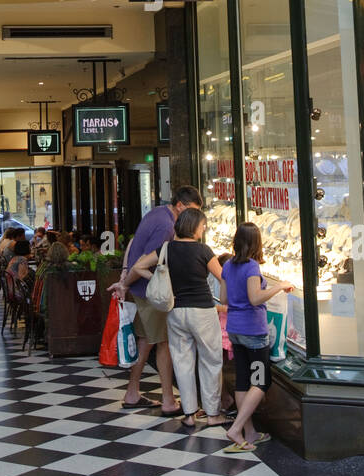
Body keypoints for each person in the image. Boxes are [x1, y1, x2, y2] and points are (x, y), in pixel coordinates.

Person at [122, 206, 225, 430]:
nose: (204, 228)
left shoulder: (166, 249)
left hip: (175, 312)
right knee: (211, 361)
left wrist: (162, 282)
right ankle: (212, 413)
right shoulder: (204, 251)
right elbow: (222, 276)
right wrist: (226, 303)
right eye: (202, 225)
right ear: (195, 227)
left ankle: (189, 414)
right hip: (203, 311)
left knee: (182, 363)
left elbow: (138, 265)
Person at [109, 185, 204, 417]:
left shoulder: (157, 212)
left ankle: (132, 393)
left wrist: (124, 275)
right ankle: (168, 400)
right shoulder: (167, 225)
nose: (193, 219)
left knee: (146, 342)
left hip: (143, 291)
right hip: (151, 294)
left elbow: (133, 243)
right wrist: (126, 284)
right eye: (191, 212)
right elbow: (144, 260)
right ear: (180, 206)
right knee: (163, 344)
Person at [221, 222, 293, 452]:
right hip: (253, 332)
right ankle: (236, 428)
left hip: (235, 330)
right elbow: (255, 298)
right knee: (261, 381)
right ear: (256, 243)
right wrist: (279, 286)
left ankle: (249, 433)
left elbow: (223, 298)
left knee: (243, 380)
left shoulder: (228, 266)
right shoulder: (251, 267)